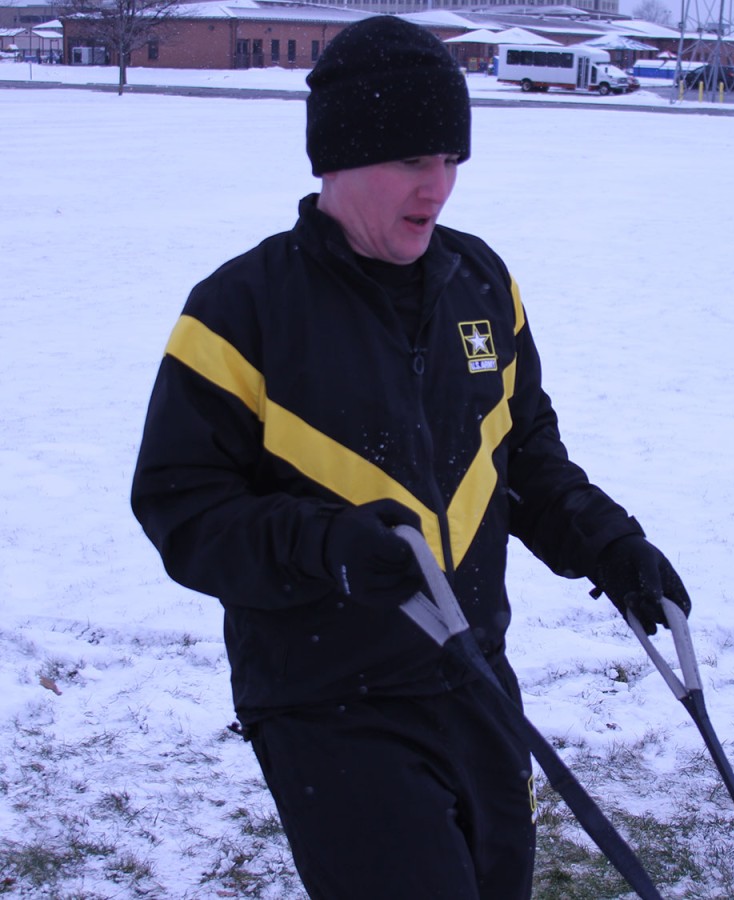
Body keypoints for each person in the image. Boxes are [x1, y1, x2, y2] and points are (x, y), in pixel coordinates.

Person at [130, 16, 691, 898]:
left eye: (450, 160)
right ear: (337, 161)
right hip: (329, 697)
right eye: (411, 162)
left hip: (474, 677)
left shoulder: (480, 283)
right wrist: (328, 548)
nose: (438, 187)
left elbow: (526, 459)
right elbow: (182, 509)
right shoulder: (241, 310)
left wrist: (611, 547)